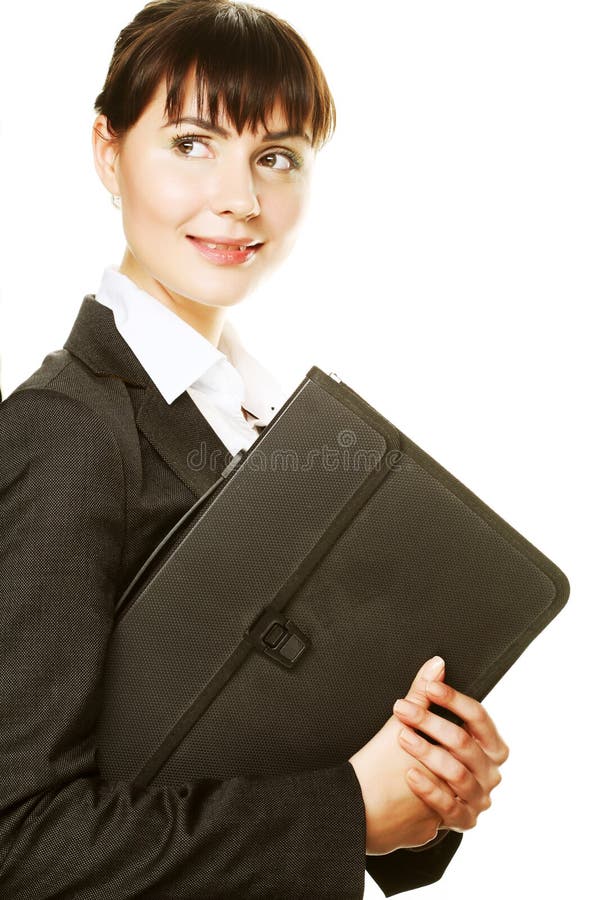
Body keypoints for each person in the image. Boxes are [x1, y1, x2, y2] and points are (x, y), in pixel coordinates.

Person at [0, 1, 509, 897]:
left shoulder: (260, 416)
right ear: (107, 152)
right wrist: (348, 807)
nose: (240, 199)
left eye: (276, 158)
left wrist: (421, 789)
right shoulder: (67, 431)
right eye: (192, 143)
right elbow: (22, 844)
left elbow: (249, 738)